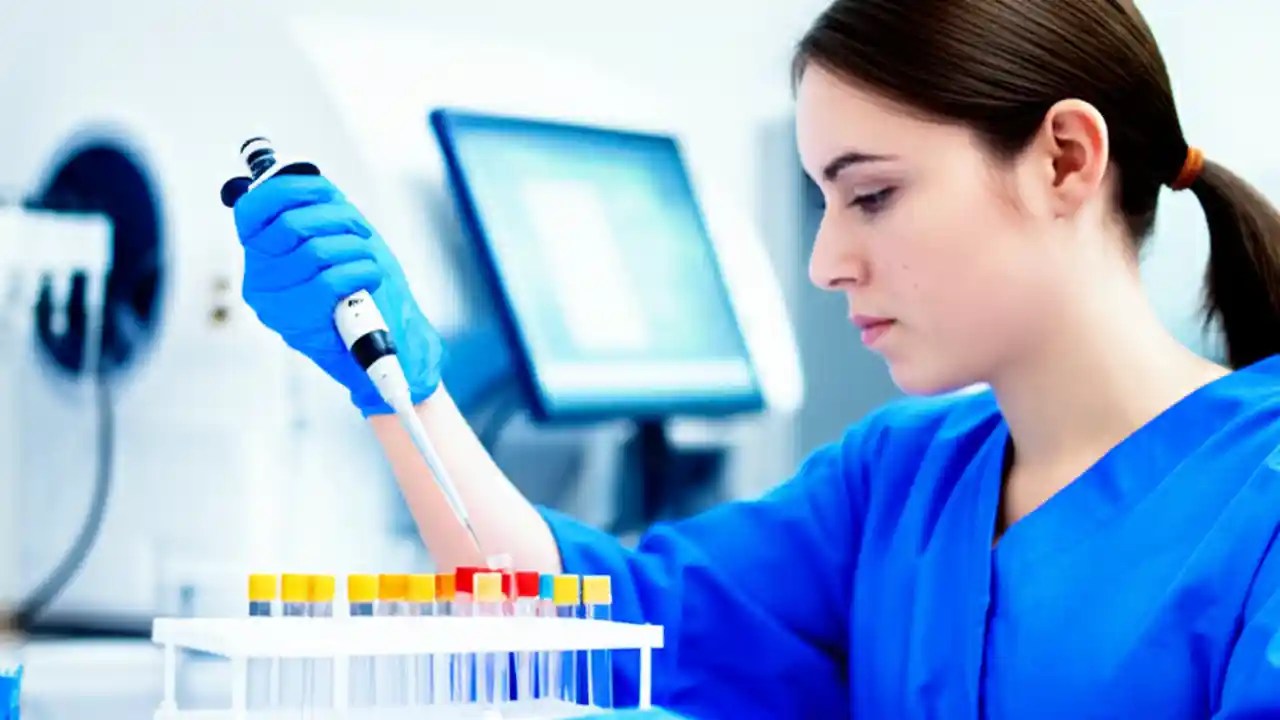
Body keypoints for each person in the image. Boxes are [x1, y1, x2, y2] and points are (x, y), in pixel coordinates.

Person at [227, 0, 1280, 717]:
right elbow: (575, 618)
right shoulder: (898, 483)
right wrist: (398, 389)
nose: (826, 260)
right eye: (822, 201)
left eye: (870, 194)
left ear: (1063, 158)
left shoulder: (1259, 503)